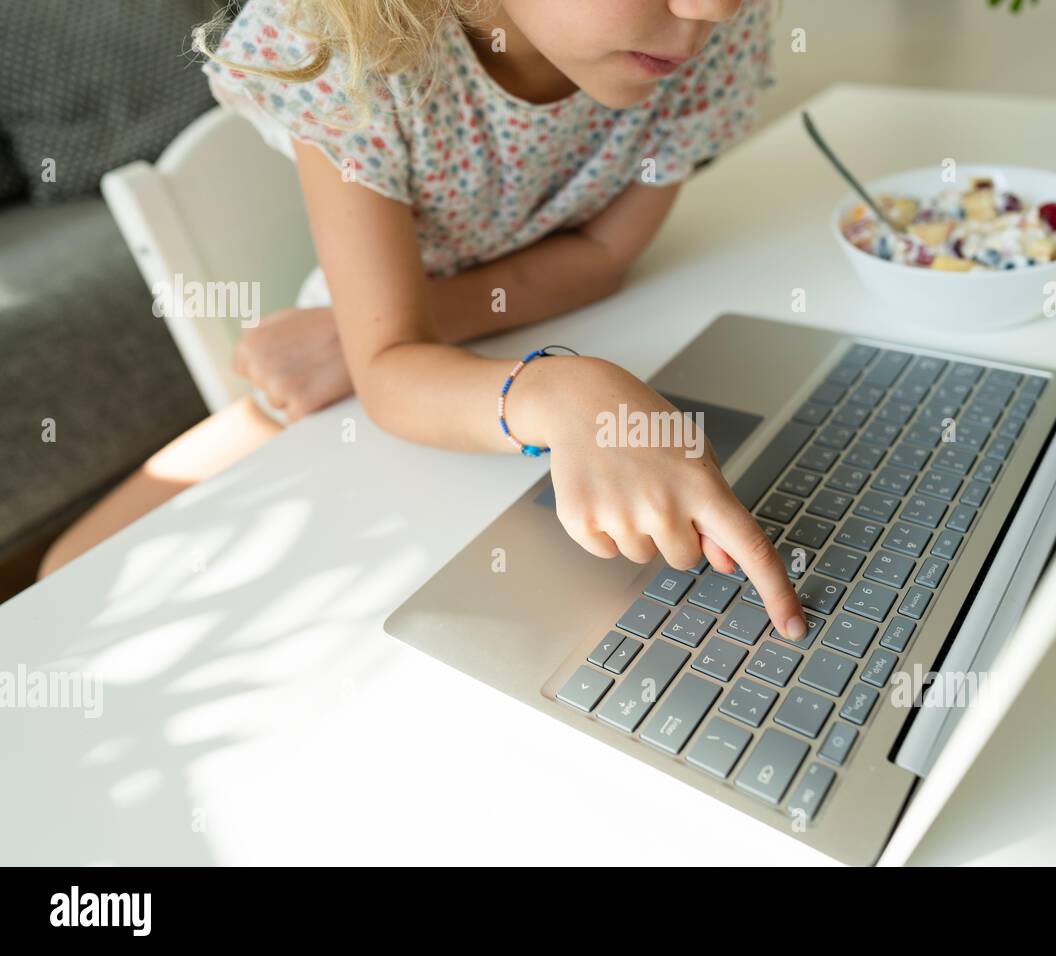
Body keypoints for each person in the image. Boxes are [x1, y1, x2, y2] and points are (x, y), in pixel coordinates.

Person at [39, 0, 806, 642]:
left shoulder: (712, 28)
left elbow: (605, 257)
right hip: (384, 375)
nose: (712, 8)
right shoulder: (357, 44)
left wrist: (369, 336)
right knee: (67, 577)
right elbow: (390, 374)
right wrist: (565, 394)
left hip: (381, 339)